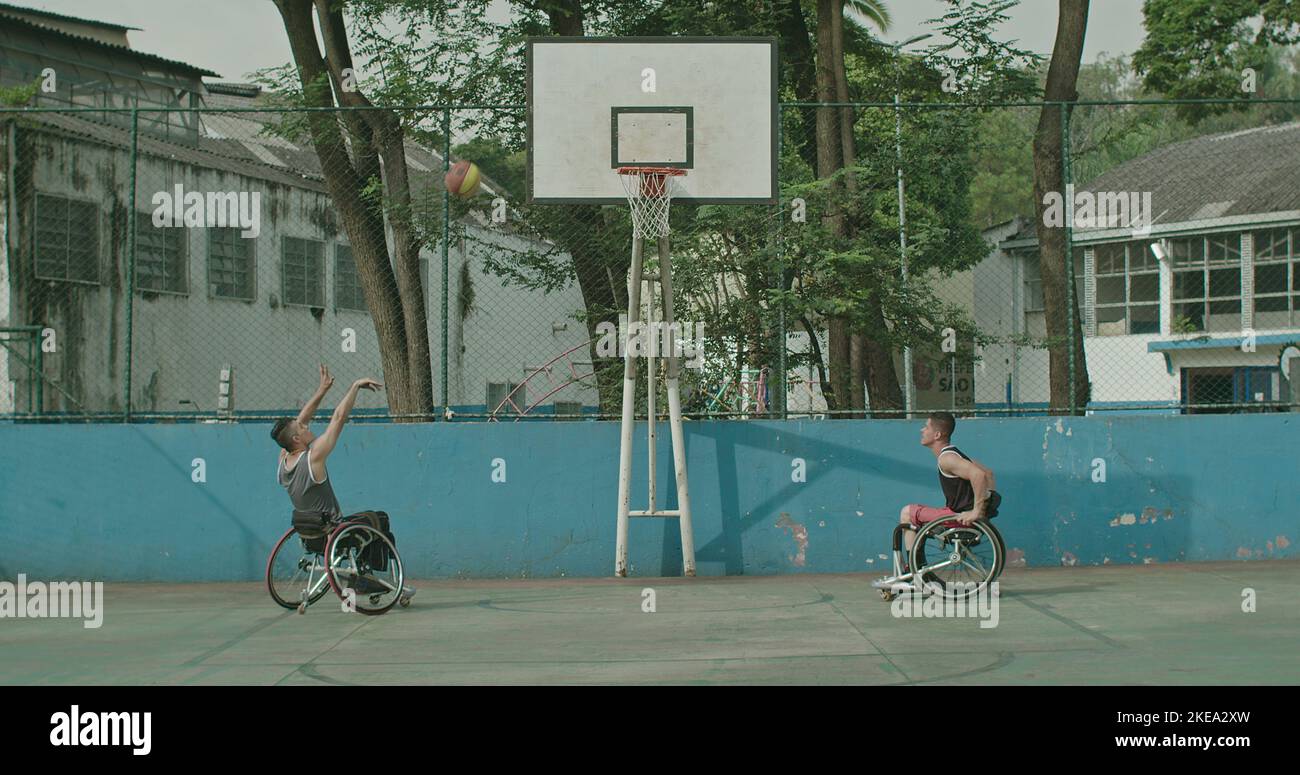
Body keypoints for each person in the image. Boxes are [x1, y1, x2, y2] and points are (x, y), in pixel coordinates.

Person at [271, 365, 414, 602]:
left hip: (309, 535)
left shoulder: (283, 460)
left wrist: (322, 389)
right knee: (380, 519)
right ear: (297, 438)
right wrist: (355, 386)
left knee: (368, 521)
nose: (307, 425)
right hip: (334, 533)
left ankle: (367, 575)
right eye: (303, 428)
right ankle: (372, 579)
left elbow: (300, 420)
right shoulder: (313, 456)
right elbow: (338, 417)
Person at [898, 411, 997, 564]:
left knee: (907, 513)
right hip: (959, 513)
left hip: (957, 516)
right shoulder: (955, 454)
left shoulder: (947, 458)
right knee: (914, 513)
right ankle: (918, 568)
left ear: (937, 435)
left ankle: (913, 570)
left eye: (926, 427)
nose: (922, 430)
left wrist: (977, 511)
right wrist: (985, 508)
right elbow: (989, 473)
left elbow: (980, 475)